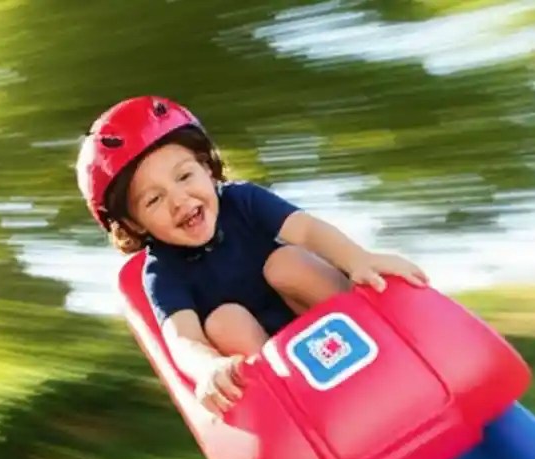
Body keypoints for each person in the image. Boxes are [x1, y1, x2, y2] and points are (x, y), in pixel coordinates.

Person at [76, 96, 429, 414]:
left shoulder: (241, 201)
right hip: (271, 365)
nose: (179, 200)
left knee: (285, 263)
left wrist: (357, 258)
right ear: (134, 225)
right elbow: (184, 338)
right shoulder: (161, 271)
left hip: (321, 323)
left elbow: (305, 230)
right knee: (222, 321)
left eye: (184, 176)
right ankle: (299, 407)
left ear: (206, 166)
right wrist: (207, 368)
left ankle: (381, 341)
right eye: (154, 200)